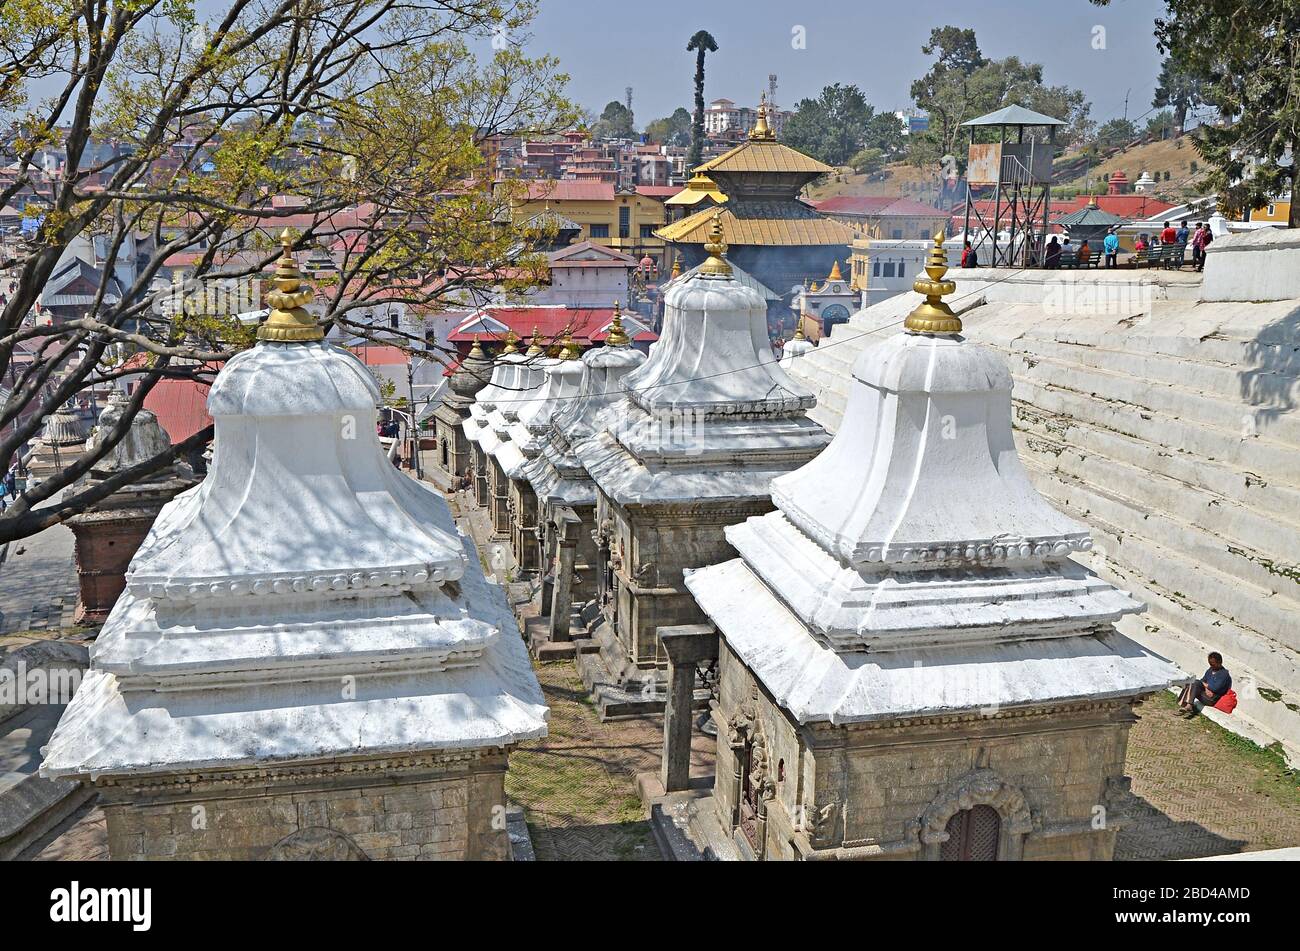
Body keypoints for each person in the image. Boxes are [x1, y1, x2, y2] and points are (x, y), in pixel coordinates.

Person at [1178, 653, 1232, 717]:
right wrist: (1206, 689)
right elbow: (1202, 681)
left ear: (1219, 662)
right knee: (1193, 682)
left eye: (1213, 663)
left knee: (1195, 683)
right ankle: (1189, 705)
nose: (1211, 665)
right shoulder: (1210, 670)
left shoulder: (1224, 674)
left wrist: (1206, 686)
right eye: (1210, 663)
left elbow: (1215, 688)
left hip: (1212, 698)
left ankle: (1187, 705)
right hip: (1205, 693)